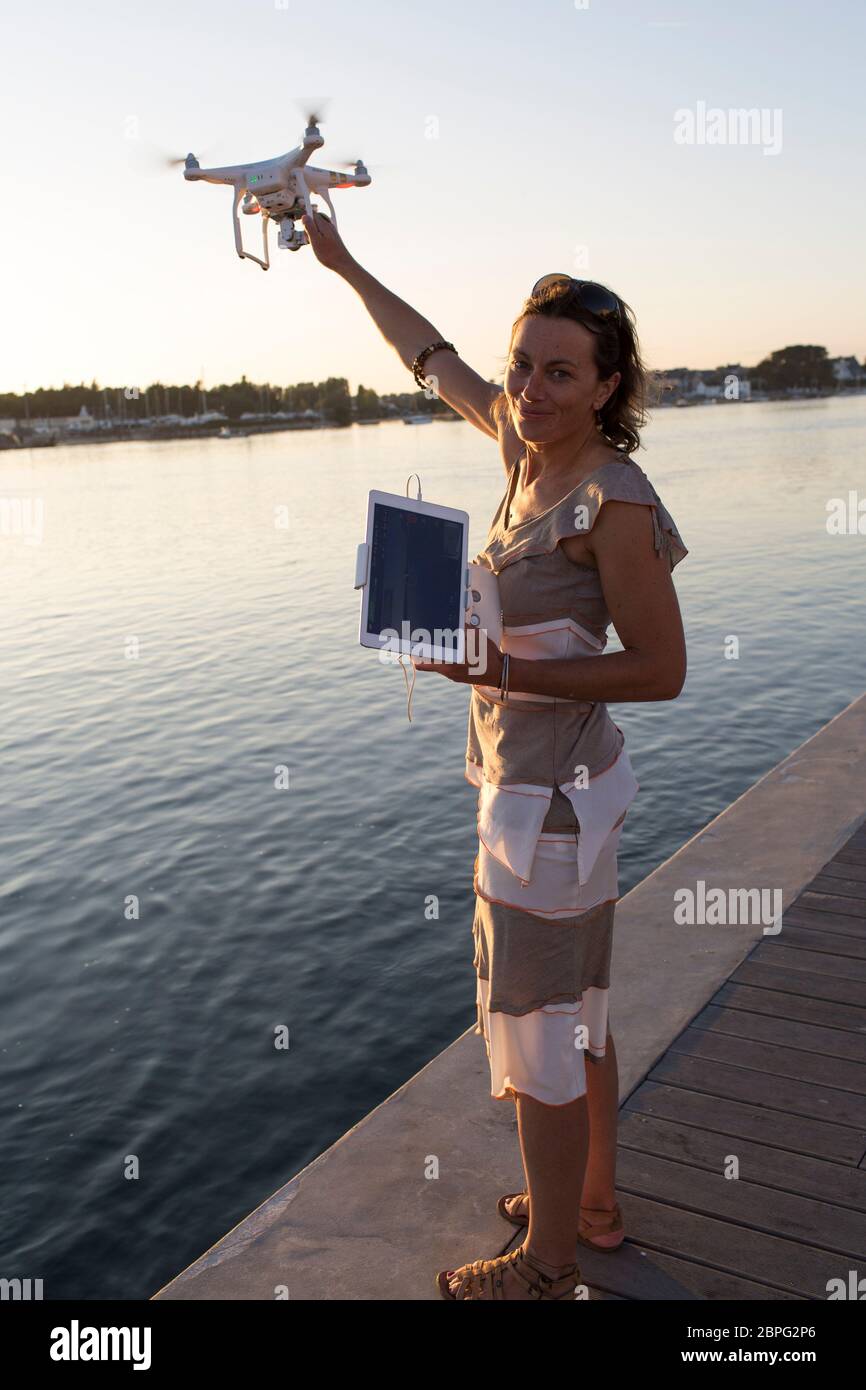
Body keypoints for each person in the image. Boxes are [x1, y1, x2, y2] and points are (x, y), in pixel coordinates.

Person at [302, 208, 689, 1300]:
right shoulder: (524, 450)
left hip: (549, 815)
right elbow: (427, 355)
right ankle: (591, 1203)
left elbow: (661, 670)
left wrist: (498, 672)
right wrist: (342, 262)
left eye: (558, 372)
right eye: (522, 363)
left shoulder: (612, 501)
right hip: (553, 794)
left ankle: (547, 1262)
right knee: (584, 1013)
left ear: (607, 386)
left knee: (537, 1038)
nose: (526, 386)